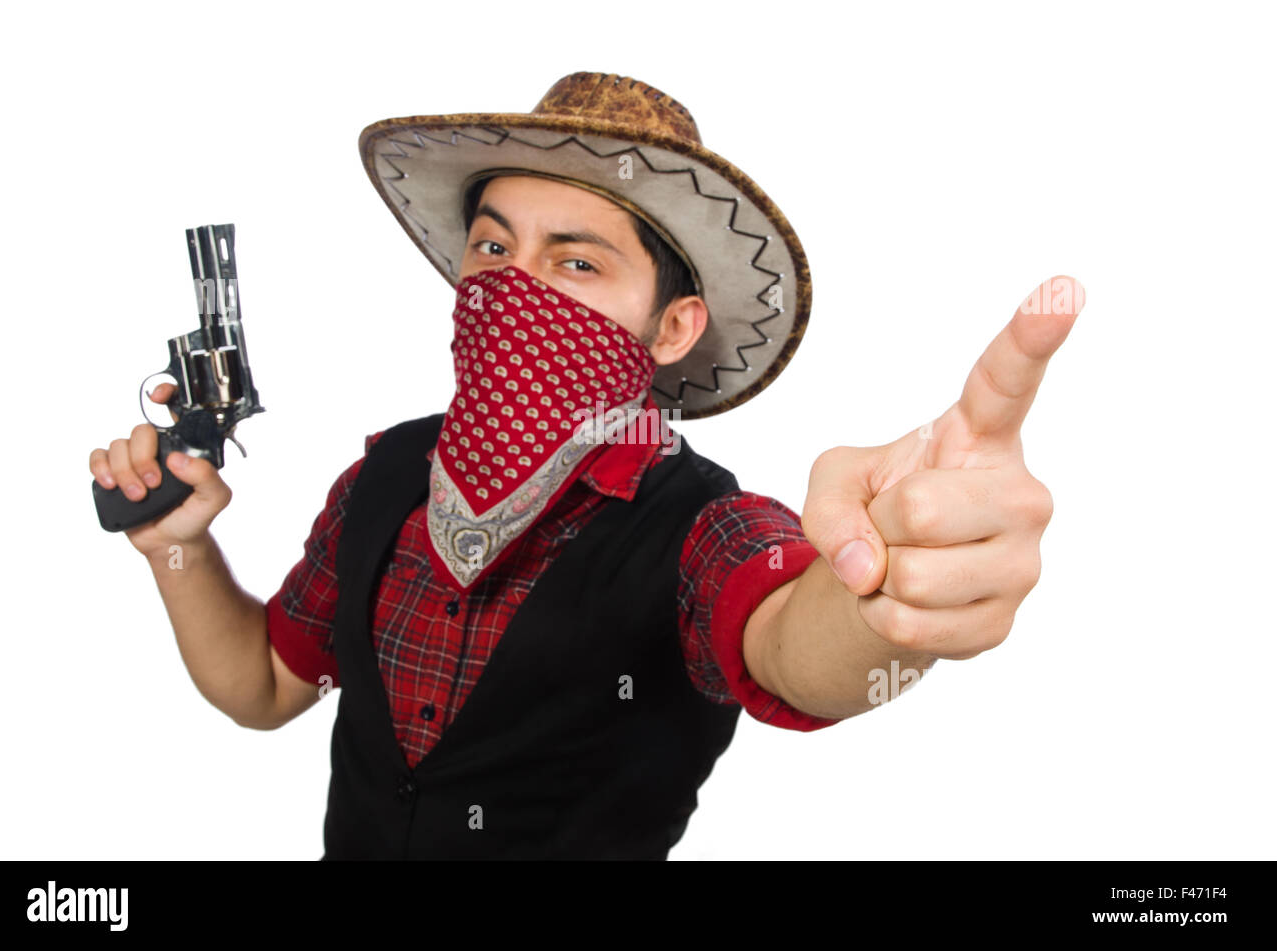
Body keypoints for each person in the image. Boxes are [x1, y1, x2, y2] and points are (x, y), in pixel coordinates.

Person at [88, 72, 1083, 859]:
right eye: (490, 247)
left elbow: (794, 648)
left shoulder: (698, 523)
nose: (510, 290)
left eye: (575, 262)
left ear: (674, 326)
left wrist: (889, 601)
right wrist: (174, 548)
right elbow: (263, 688)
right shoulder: (383, 477)